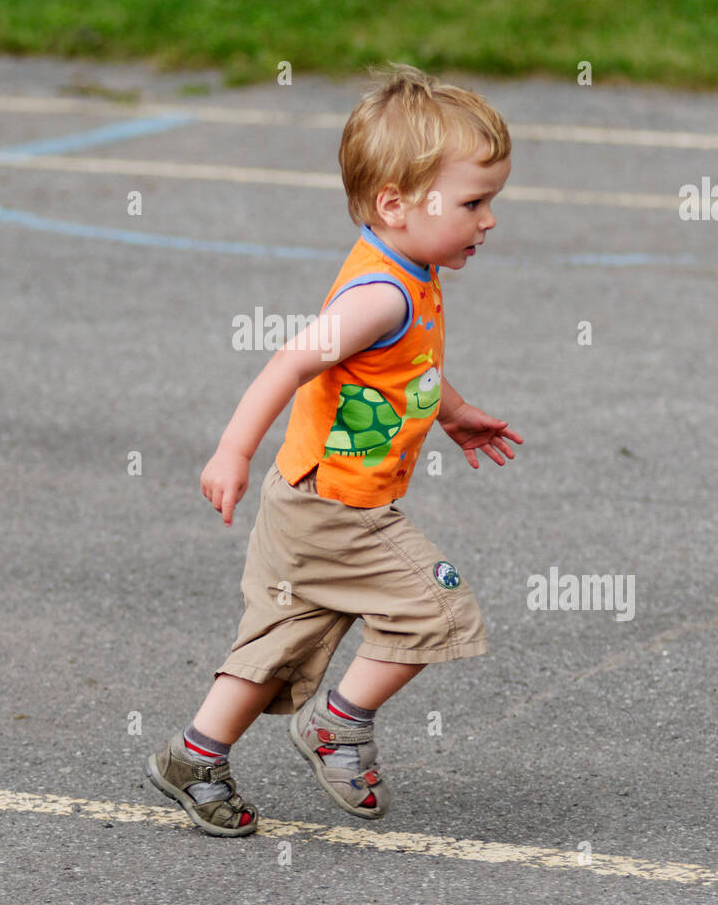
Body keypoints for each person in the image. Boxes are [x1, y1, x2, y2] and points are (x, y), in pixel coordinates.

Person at [145, 63, 523, 837]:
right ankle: (336, 724)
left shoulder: (412, 271)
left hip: (315, 498)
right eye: (474, 203)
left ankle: (193, 757)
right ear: (395, 203)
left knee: (283, 640)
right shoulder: (378, 293)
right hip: (335, 506)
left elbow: (406, 365)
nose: (488, 221)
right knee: (434, 608)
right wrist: (230, 451)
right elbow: (289, 362)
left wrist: (452, 413)